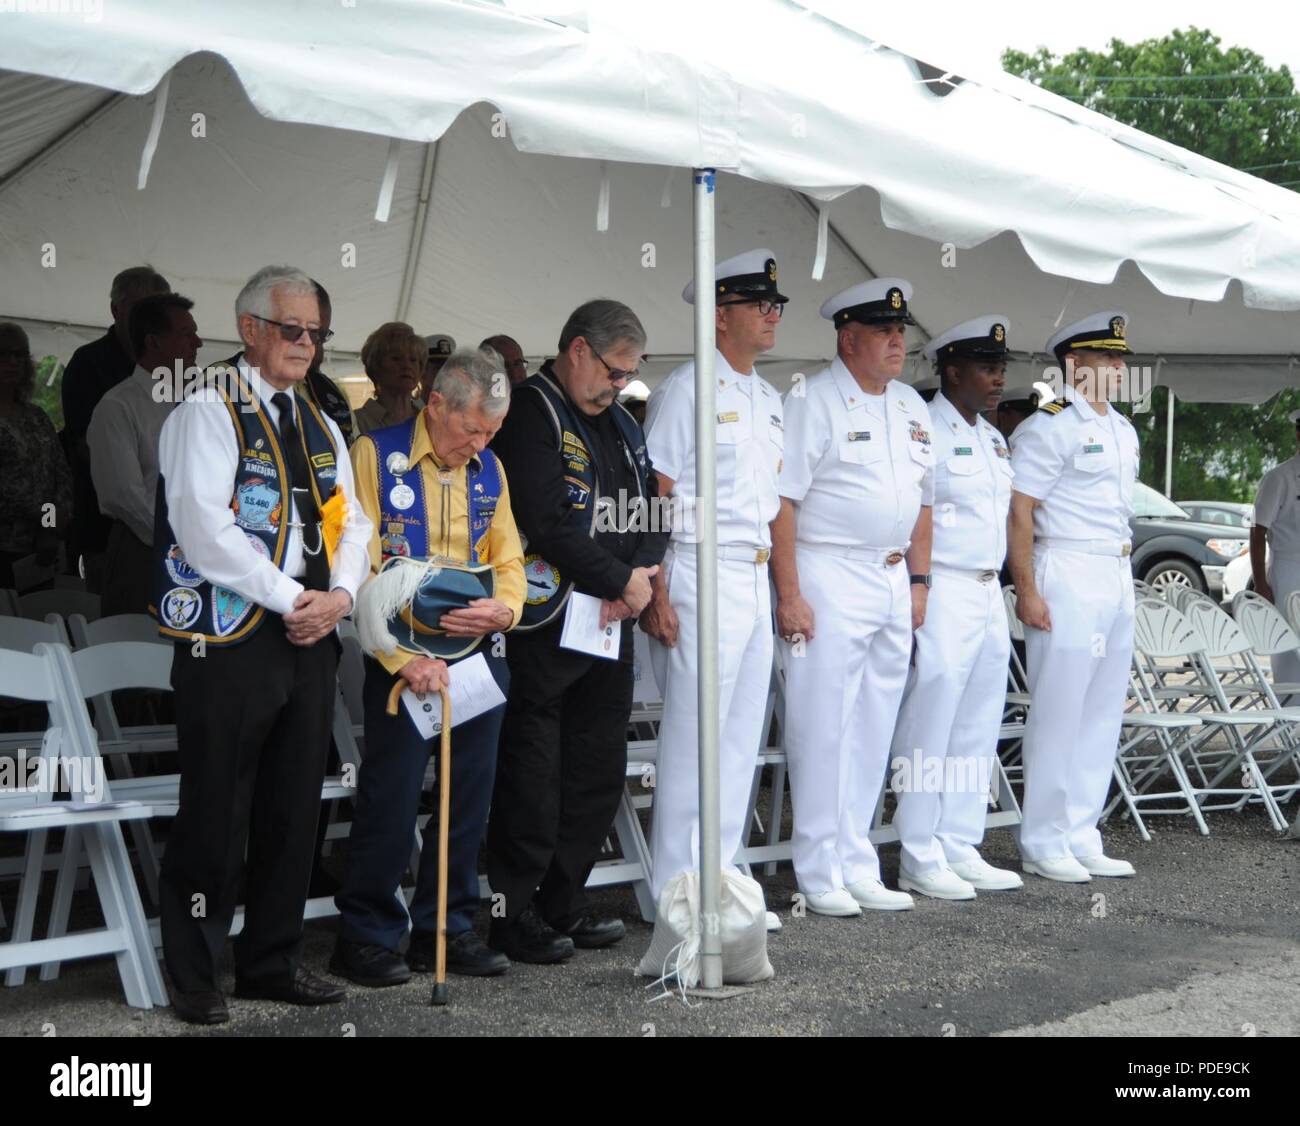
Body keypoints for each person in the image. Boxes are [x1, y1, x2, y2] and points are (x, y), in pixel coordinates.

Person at [155, 265, 372, 1024]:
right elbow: (205, 532)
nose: (308, 344)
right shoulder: (207, 409)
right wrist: (296, 600)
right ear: (250, 330)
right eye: (293, 329)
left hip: (309, 638)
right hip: (230, 642)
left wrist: (339, 597)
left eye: (317, 332)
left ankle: (271, 961)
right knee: (216, 811)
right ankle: (195, 973)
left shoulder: (318, 419)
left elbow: (354, 523)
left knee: (291, 809)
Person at [331, 348, 525, 985]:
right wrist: (397, 657)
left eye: (490, 433)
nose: (479, 444)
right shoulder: (373, 452)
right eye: (471, 428)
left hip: (473, 659)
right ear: (434, 403)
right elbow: (352, 561)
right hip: (401, 659)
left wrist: (505, 611)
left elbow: (510, 561)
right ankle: (366, 935)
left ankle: (448, 928)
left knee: (468, 799)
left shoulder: (489, 468)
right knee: (390, 798)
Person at [486, 300, 666, 963]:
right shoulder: (532, 411)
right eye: (616, 371)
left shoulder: (621, 422)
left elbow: (655, 507)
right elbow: (544, 518)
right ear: (580, 351)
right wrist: (619, 580)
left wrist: (640, 573)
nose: (621, 385)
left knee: (596, 769)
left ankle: (565, 900)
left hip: (611, 622)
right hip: (546, 624)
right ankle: (515, 912)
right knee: (534, 773)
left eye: (629, 376)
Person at [769, 278, 931, 917]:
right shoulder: (814, 399)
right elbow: (784, 501)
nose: (898, 342)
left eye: (901, 332)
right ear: (849, 338)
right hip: (828, 572)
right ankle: (817, 869)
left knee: (872, 726)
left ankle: (857, 858)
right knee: (822, 725)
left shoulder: (912, 405)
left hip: (891, 578)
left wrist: (918, 582)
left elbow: (923, 502)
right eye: (885, 333)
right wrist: (790, 592)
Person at [641, 248, 786, 931]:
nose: (772, 315)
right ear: (721, 316)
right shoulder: (685, 389)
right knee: (694, 737)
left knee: (739, 738)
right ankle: (675, 892)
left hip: (752, 571)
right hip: (698, 565)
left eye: (774, 304)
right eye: (760, 305)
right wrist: (659, 592)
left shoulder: (767, 397)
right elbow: (658, 495)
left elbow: (777, 500)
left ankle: (720, 885)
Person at [890, 315, 1024, 899]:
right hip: (941, 583)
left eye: (1000, 369)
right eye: (987, 369)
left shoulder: (994, 437)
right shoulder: (925, 426)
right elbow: (911, 511)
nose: (997, 380)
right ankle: (918, 849)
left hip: (987, 588)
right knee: (932, 719)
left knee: (977, 720)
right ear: (951, 371)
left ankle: (959, 841)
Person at [1008, 311, 1139, 882]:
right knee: (1060, 710)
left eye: (1119, 357)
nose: (1118, 366)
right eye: (1106, 357)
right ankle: (1042, 838)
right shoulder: (1049, 425)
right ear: (1073, 363)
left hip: (1114, 569)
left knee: (1102, 710)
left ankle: (1082, 830)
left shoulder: (1125, 429)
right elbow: (1020, 511)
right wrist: (1027, 589)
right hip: (1066, 565)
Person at [88, 293, 202, 617]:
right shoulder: (118, 406)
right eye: (186, 333)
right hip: (143, 548)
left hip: (198, 549)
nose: (198, 342)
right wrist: (179, 544)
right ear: (154, 342)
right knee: (138, 652)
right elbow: (123, 496)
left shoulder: (199, 402)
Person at [62, 265, 170, 589]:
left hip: (170, 527)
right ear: (116, 310)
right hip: (108, 531)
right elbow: (85, 444)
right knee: (120, 629)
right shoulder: (88, 362)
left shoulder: (171, 369)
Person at [0, 323, 72, 588]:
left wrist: (50, 526)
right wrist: (44, 518)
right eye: (3, 354)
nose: (12, 362)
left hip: (42, 550)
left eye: (20, 355)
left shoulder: (37, 417)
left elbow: (60, 476)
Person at [1251, 410, 1300, 691]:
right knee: (1288, 644)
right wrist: (1260, 582)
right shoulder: (1279, 477)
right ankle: (1290, 711)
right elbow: (1257, 530)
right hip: (1289, 568)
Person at [299, 281, 358, 446]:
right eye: (311, 331)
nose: (316, 343)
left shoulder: (332, 394)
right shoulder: (232, 381)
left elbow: (352, 458)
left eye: (321, 335)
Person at [354, 322, 425, 436]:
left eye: (413, 360)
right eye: (396, 358)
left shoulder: (430, 419)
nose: (407, 365)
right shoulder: (356, 422)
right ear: (376, 366)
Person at [419, 333, 456, 403]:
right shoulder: (409, 409)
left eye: (448, 369)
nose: (445, 374)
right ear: (422, 371)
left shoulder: (452, 409)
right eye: (438, 368)